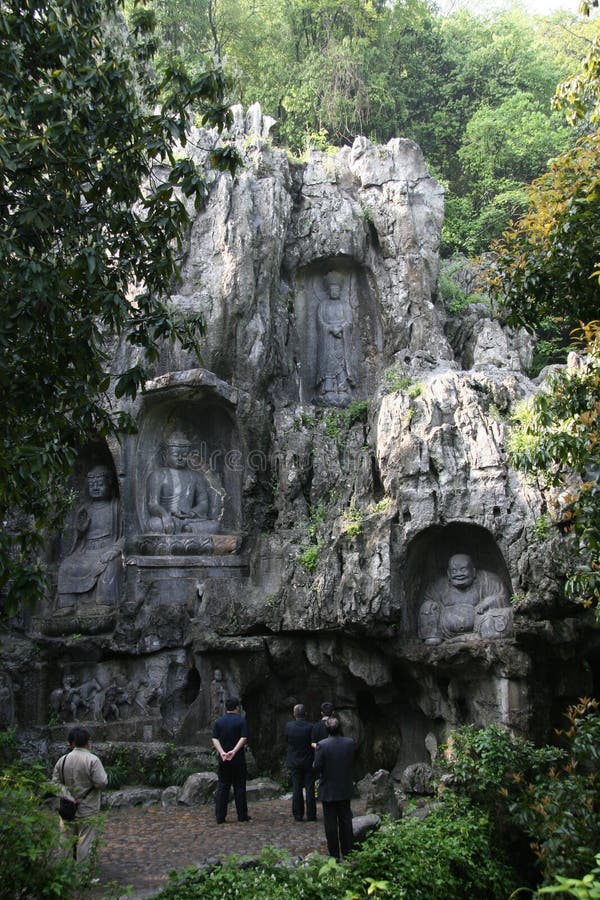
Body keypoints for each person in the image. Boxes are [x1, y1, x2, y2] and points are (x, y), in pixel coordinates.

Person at [57, 464, 122, 608]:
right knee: (66, 566)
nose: (96, 488)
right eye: (92, 484)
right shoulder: (85, 508)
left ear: (110, 484)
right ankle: (67, 606)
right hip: (86, 551)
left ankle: (104, 604)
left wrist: (114, 550)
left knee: (110, 566)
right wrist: (80, 528)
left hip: (107, 549)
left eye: (100, 484)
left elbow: (126, 535)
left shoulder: (116, 507)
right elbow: (77, 537)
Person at [418, 553, 511, 644]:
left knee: (501, 615)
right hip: (445, 631)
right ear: (448, 573)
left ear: (473, 571)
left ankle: (475, 636)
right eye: (454, 571)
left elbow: (503, 597)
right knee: (428, 606)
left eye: (463, 569)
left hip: (480, 626)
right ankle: (433, 637)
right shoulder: (438, 586)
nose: (459, 574)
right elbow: (428, 598)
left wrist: (487, 602)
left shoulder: (488, 580)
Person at [146, 431, 223, 535]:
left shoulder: (196, 476)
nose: (180, 458)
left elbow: (203, 503)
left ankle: (187, 531)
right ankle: (186, 532)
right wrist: (165, 516)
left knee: (215, 526)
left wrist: (191, 513)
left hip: (189, 519)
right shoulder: (158, 475)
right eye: (175, 454)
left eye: (184, 455)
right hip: (167, 519)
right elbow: (153, 504)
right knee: (153, 524)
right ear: (165, 456)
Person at [52, 726, 108, 862]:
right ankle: (82, 876)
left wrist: (68, 797)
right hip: (88, 807)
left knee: (65, 839)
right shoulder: (92, 760)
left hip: (67, 807)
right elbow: (102, 782)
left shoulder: (62, 760)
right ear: (88, 742)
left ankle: (64, 872)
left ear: (71, 743)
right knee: (85, 840)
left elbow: (55, 783)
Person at [313, 717, 355, 860]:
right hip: (344, 787)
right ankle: (348, 851)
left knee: (330, 824)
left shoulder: (322, 745)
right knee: (346, 821)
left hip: (329, 789)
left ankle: (334, 854)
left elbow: (317, 766)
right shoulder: (349, 743)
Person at [315, 272, 355, 406]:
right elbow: (319, 322)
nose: (335, 291)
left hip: (341, 340)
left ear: (340, 290)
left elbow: (349, 321)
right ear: (328, 291)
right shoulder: (323, 305)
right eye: (332, 289)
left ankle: (343, 389)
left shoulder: (345, 305)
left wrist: (341, 328)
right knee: (328, 364)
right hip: (327, 340)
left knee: (341, 362)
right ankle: (328, 390)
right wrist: (330, 328)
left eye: (337, 289)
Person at [211, 696, 250, 824]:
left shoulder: (219, 722)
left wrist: (222, 752)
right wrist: (234, 751)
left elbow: (214, 738)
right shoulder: (241, 721)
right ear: (237, 707)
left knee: (223, 786)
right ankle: (242, 815)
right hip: (237, 759)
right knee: (239, 787)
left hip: (223, 759)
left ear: (226, 708)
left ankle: (220, 816)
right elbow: (244, 737)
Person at [285, 704, 316, 822]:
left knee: (296, 787)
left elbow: (286, 739)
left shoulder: (289, 726)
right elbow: (312, 742)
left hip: (294, 760)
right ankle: (311, 814)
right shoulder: (310, 727)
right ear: (305, 713)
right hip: (308, 760)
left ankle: (298, 814)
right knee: (309, 788)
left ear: (295, 714)